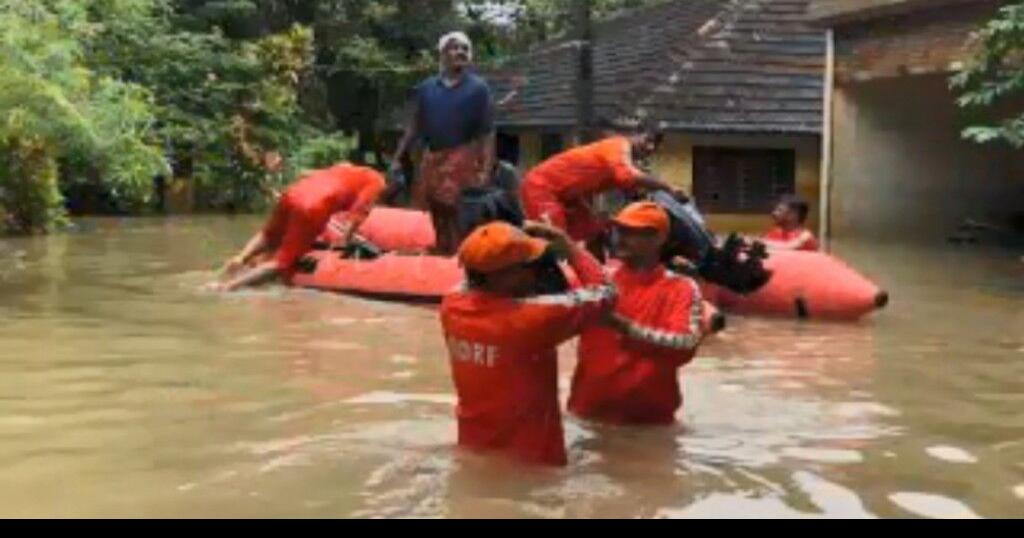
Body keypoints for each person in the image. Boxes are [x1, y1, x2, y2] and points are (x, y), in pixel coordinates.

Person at [439, 221, 616, 466]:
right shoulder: (535, 319)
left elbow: (474, 286)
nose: (533, 272)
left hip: (474, 450)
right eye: (527, 265)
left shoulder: (451, 305)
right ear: (504, 276)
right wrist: (572, 250)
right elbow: (607, 294)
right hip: (534, 461)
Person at [568, 201, 705, 425]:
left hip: (650, 423)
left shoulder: (681, 288)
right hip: (588, 414)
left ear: (659, 238)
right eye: (619, 230)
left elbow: (686, 342)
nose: (621, 238)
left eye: (632, 232)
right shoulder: (599, 280)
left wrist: (624, 327)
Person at [390, 31, 496, 255]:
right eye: (455, 47)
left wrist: (485, 171)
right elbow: (414, 127)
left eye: (465, 49)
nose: (460, 52)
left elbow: (487, 133)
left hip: (463, 159)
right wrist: (397, 158)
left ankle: (463, 261)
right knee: (436, 212)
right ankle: (441, 258)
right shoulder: (427, 88)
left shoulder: (479, 89)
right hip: (433, 159)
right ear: (443, 54)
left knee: (460, 213)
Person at [209, 163, 387, 291]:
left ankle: (240, 258)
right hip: (313, 206)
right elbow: (355, 217)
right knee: (282, 263)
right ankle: (229, 287)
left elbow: (314, 175)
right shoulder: (377, 183)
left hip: (293, 192)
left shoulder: (347, 168)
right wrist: (344, 243)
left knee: (269, 234)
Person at [519, 128, 679, 256]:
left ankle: (599, 281)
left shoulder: (626, 160)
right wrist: (668, 187)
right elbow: (626, 176)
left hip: (570, 196)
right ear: (633, 134)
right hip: (542, 188)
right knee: (555, 239)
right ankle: (551, 281)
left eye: (656, 145)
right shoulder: (618, 146)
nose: (651, 148)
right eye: (648, 140)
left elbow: (629, 186)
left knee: (594, 232)